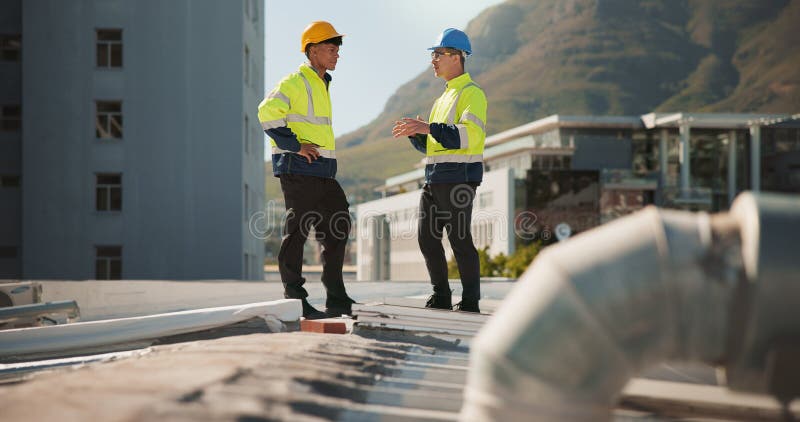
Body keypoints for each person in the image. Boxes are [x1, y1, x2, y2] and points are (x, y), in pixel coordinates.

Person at [258, 21, 355, 320]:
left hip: (323, 172)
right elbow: (266, 112)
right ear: (312, 51)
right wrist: (295, 145)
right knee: (297, 231)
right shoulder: (295, 81)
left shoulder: (322, 83)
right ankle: (295, 297)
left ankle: (336, 298)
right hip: (299, 169)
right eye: (330, 49)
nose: (336, 54)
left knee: (338, 225)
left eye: (338, 49)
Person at [391, 28, 487, 313]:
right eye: (433, 55)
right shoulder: (442, 99)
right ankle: (441, 295)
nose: (433, 60)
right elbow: (435, 146)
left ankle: (470, 301)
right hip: (434, 179)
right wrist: (418, 135)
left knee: (459, 240)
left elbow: (468, 136)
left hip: (459, 180)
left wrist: (429, 128)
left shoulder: (473, 94)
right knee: (426, 237)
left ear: (457, 57)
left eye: (439, 54)